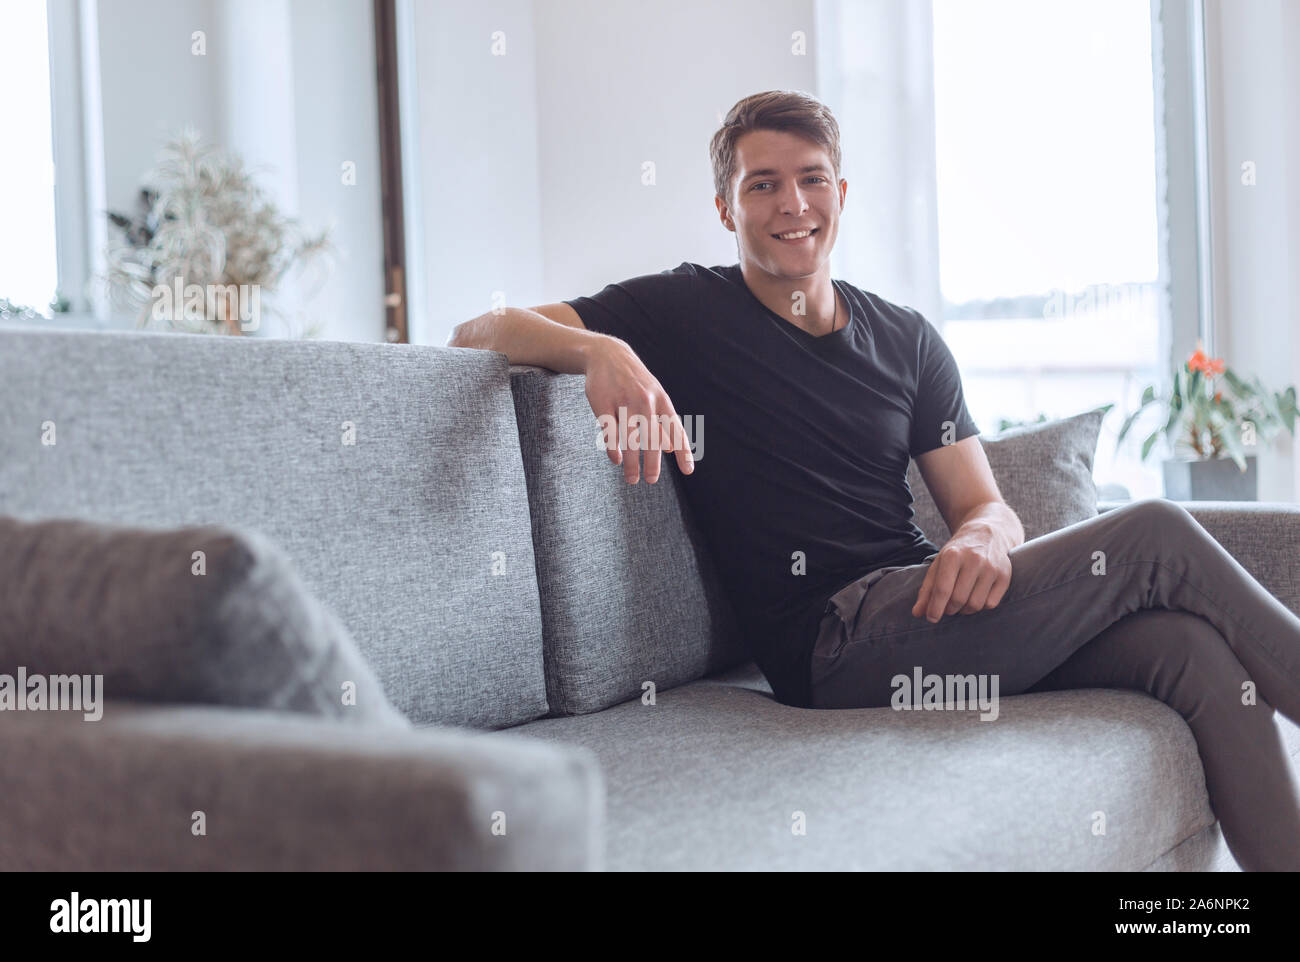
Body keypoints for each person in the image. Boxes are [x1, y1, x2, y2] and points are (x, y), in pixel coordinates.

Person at [449, 89, 1300, 871]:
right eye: (762, 185)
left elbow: (987, 507)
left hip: (924, 608)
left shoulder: (907, 340)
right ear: (724, 208)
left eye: (812, 179)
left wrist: (980, 536)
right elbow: (477, 329)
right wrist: (601, 348)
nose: (792, 204)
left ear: (841, 196)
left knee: (1189, 651)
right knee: (1152, 532)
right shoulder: (681, 312)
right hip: (833, 642)